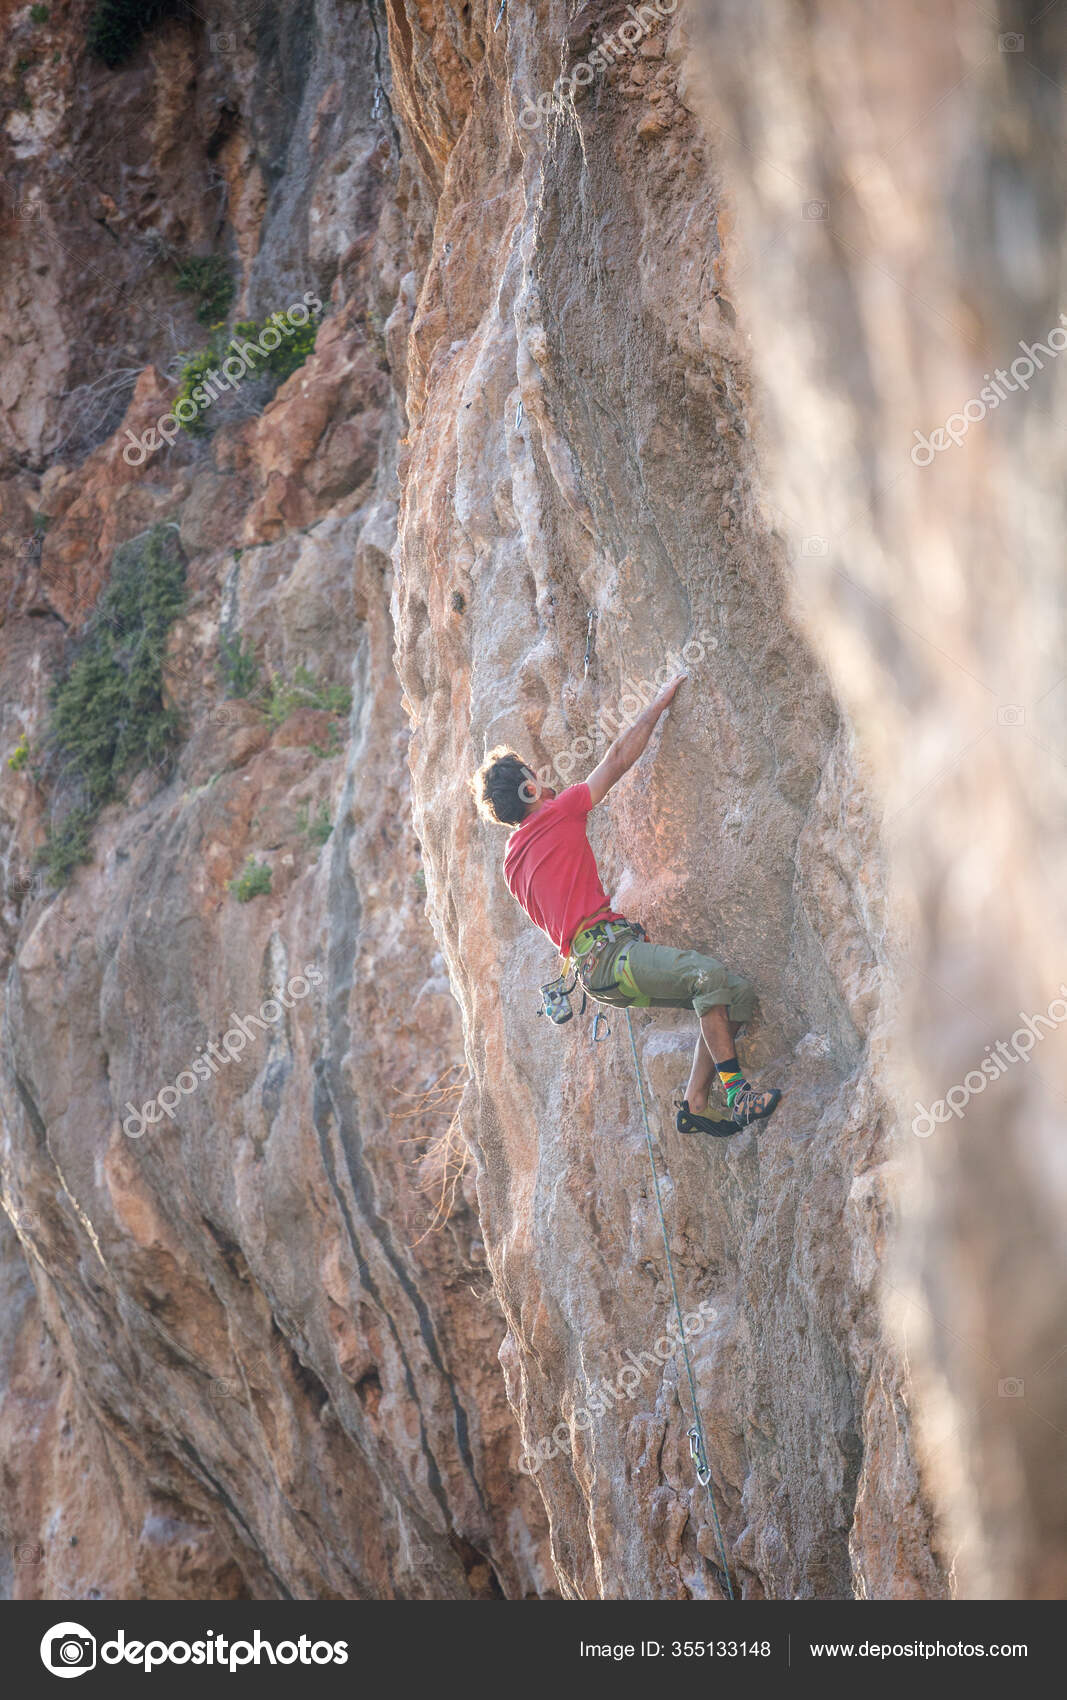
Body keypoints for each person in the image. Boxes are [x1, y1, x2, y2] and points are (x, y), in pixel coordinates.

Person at [470, 674, 782, 1136]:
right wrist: (656, 706)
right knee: (706, 977)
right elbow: (616, 760)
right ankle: (738, 1096)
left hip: (599, 974)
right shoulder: (559, 812)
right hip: (612, 959)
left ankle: (696, 1102)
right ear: (529, 790)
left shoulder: (512, 865)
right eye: (535, 776)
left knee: (734, 994)